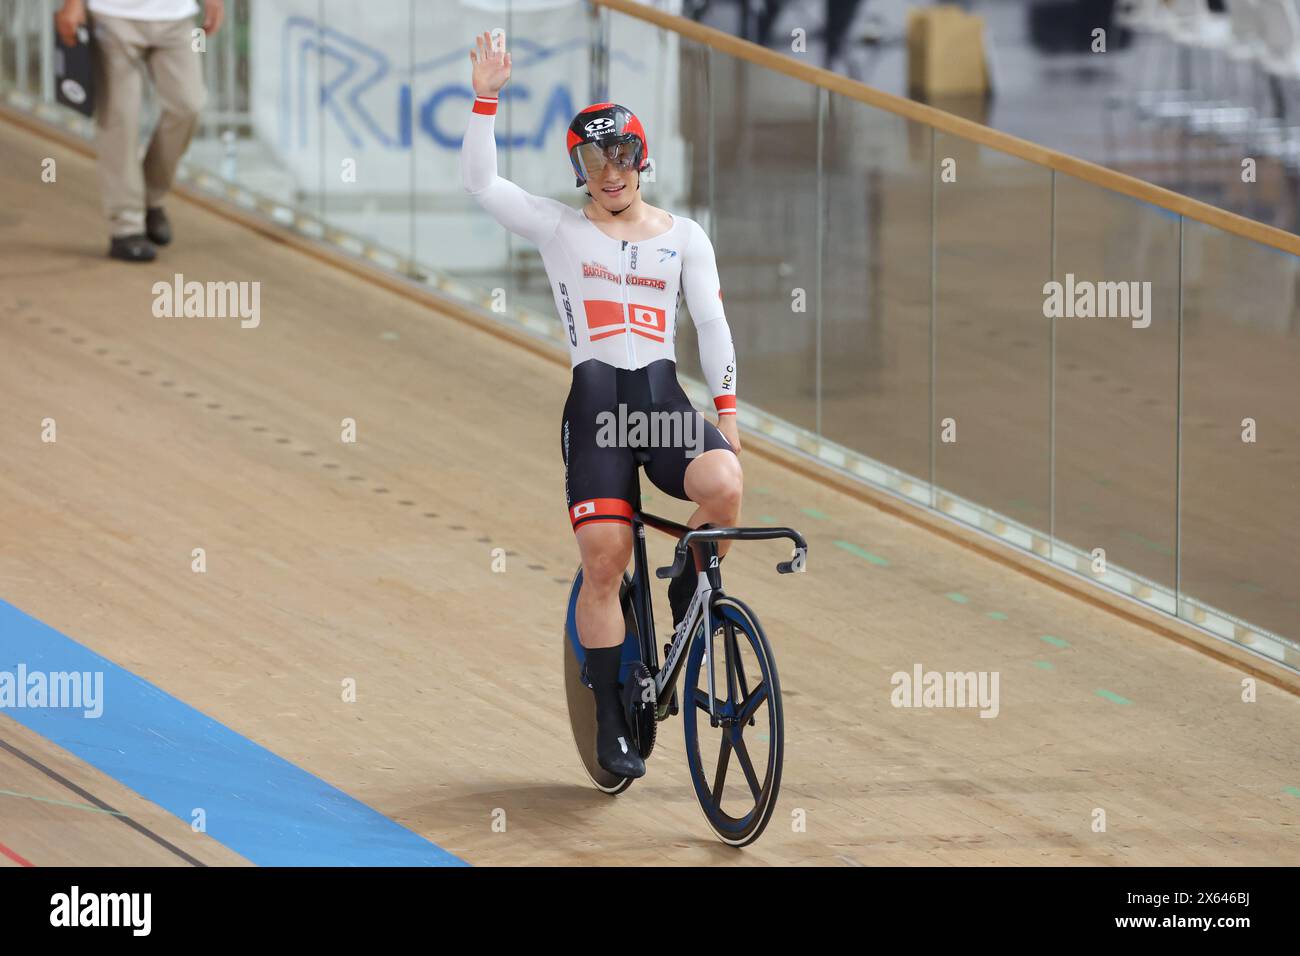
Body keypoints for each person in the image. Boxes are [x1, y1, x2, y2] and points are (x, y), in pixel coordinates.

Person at [461, 32, 743, 779]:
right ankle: (613, 713)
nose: (609, 172)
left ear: (641, 160)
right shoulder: (560, 227)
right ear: (579, 171)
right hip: (596, 413)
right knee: (604, 562)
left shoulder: (684, 237)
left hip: (659, 401)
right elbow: (483, 185)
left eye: (621, 157)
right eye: (594, 161)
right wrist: (486, 96)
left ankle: (689, 579)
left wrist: (731, 419)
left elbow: (711, 325)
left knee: (726, 487)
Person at [54, 0, 224, 262]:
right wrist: (73, 4)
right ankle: (126, 225)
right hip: (111, 16)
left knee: (189, 105)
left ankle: (150, 197)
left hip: (177, 17)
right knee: (119, 120)